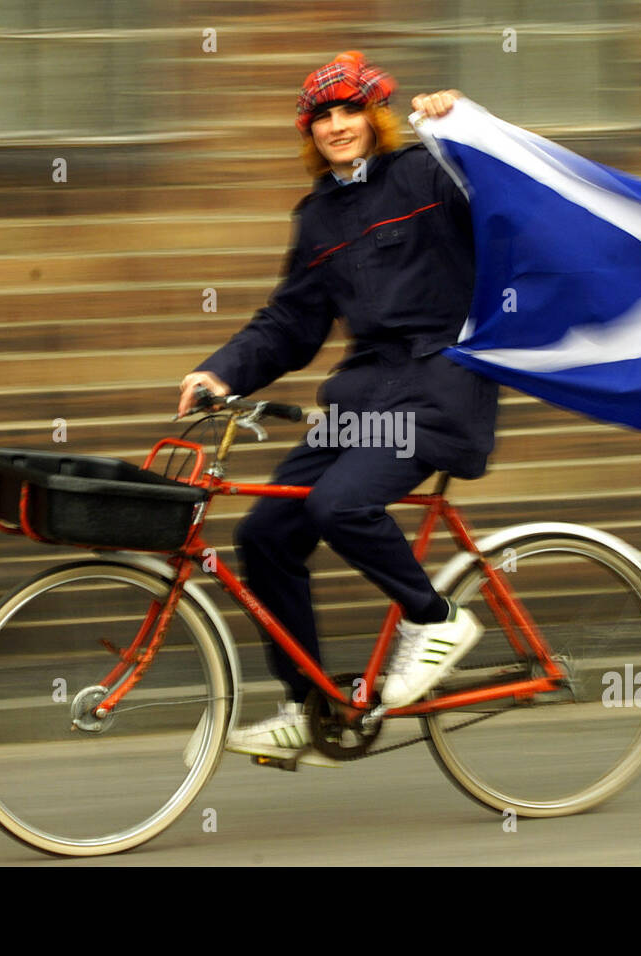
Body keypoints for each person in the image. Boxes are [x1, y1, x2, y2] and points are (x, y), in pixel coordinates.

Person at [178, 52, 498, 763]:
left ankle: (437, 618)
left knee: (340, 507)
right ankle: (307, 703)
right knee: (264, 533)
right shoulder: (319, 215)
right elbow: (290, 323)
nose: (337, 125)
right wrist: (221, 372)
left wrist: (463, 121)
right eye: (322, 117)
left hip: (438, 386)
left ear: (375, 117)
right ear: (309, 132)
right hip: (365, 397)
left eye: (350, 110)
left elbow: (512, 195)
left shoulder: (428, 173)